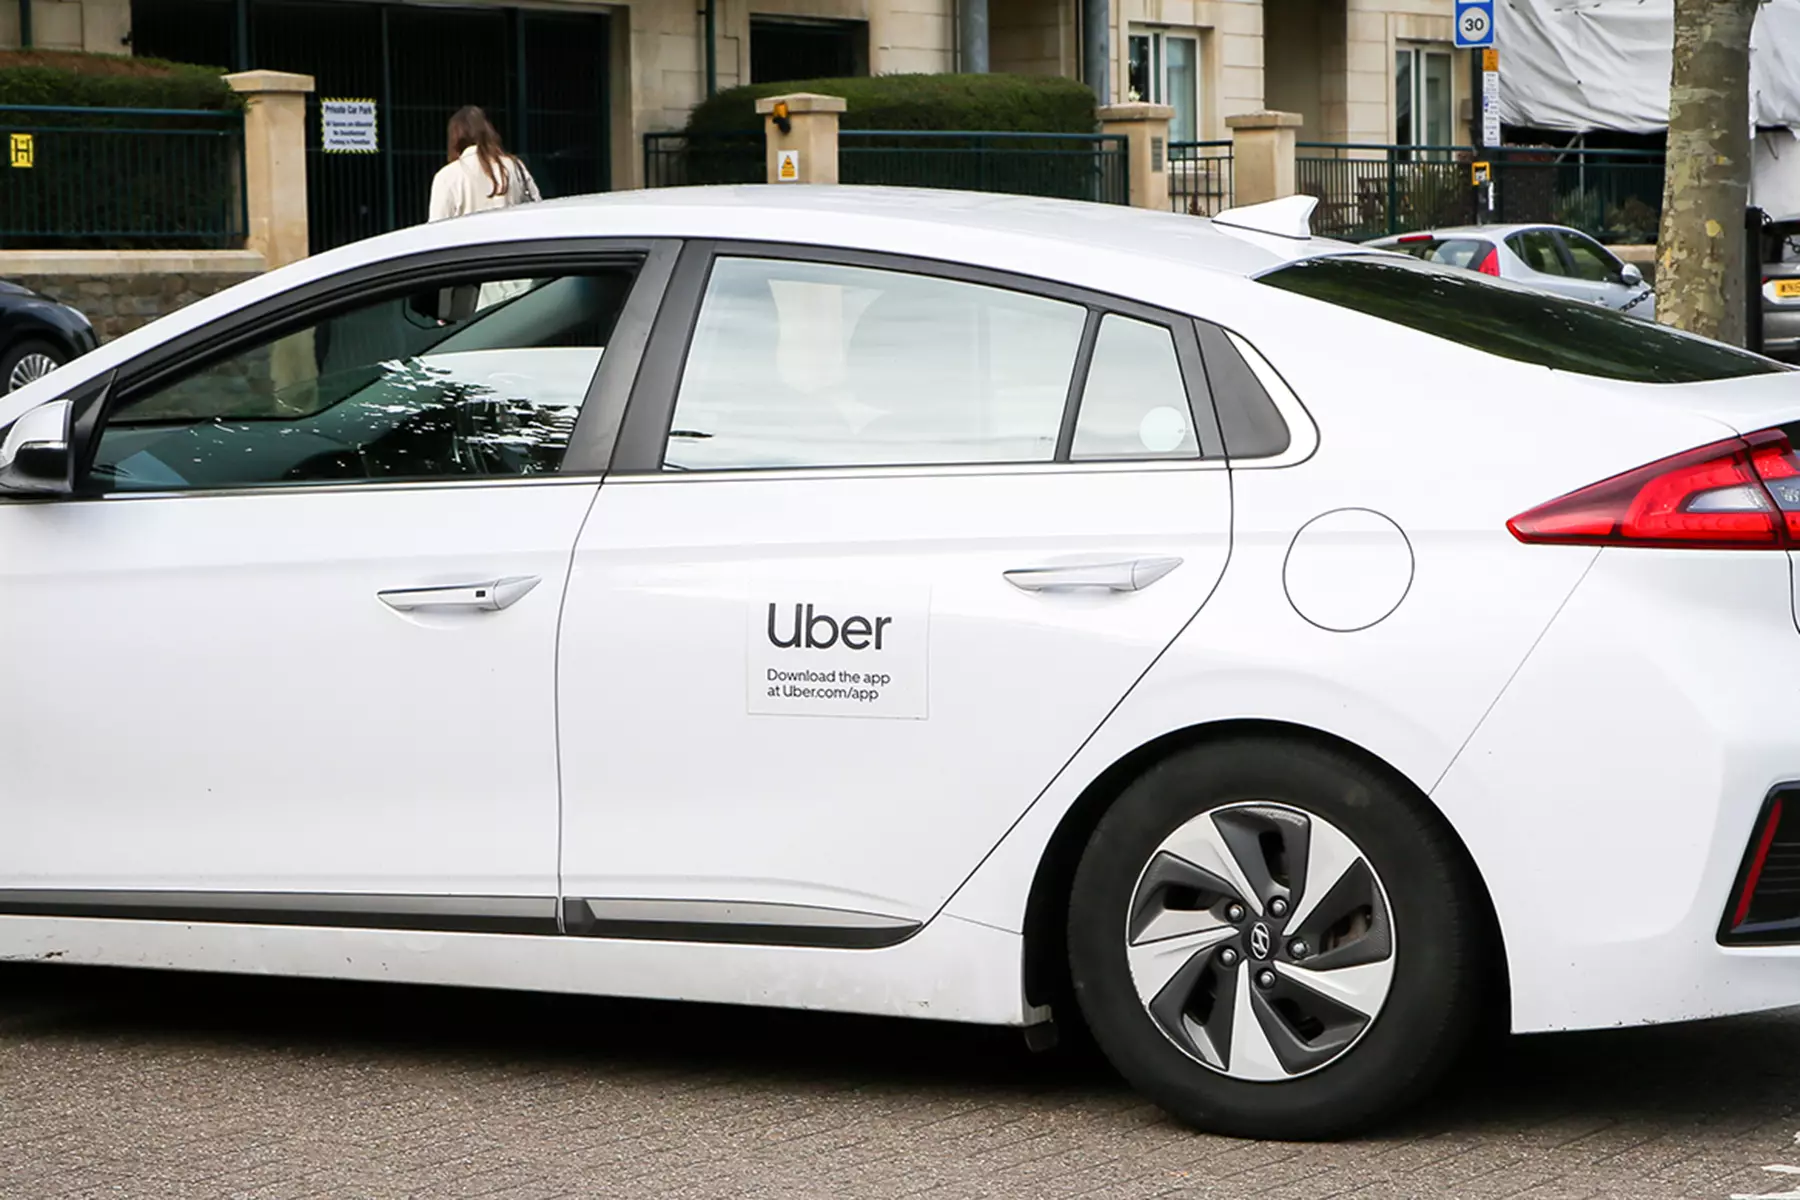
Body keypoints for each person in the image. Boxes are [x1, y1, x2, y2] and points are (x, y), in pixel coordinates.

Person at [428, 106, 540, 222]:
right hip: (511, 237)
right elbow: (536, 208)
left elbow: (436, 229)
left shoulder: (446, 176)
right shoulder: (515, 167)